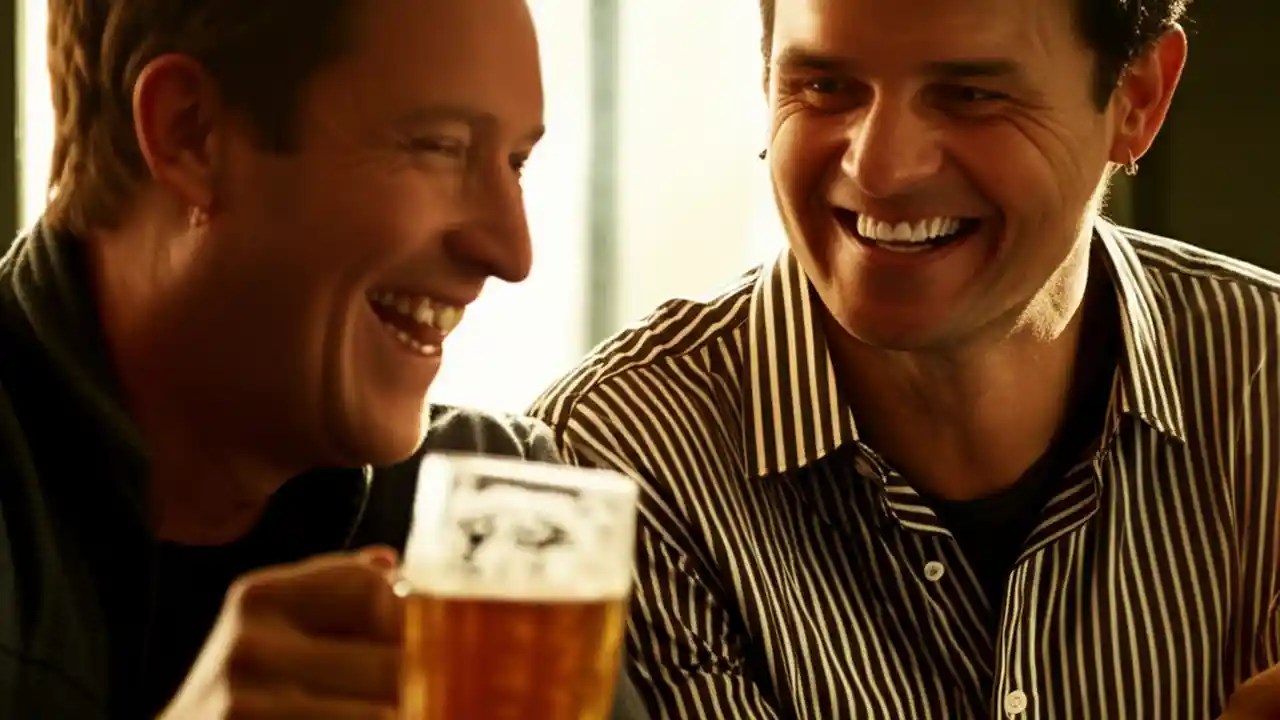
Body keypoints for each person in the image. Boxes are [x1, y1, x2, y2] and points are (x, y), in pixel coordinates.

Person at [530, 0, 1280, 717]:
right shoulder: (610, 465)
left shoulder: (1266, 377)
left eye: (971, 95)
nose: (882, 169)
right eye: (824, 86)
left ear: (1137, 99)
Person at [0, 1, 648, 718]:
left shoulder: (493, 519)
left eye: (515, 163)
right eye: (439, 145)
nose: (511, 252)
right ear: (191, 135)